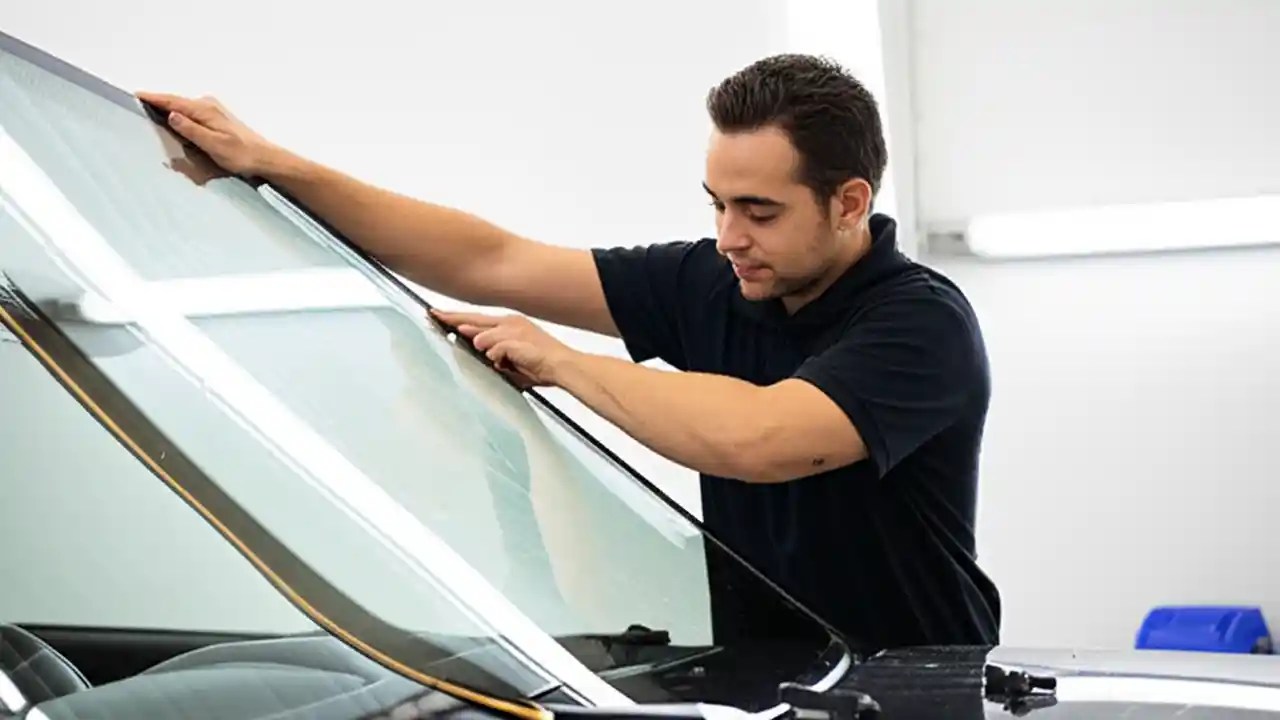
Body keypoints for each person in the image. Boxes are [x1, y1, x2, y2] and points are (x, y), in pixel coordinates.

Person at [138, 52, 1000, 653]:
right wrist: (273, 165)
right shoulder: (715, 280)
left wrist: (561, 362)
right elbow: (494, 261)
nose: (729, 236)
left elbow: (763, 438)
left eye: (759, 211)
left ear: (849, 202)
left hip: (917, 678)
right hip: (764, 665)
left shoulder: (920, 325)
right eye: (717, 205)